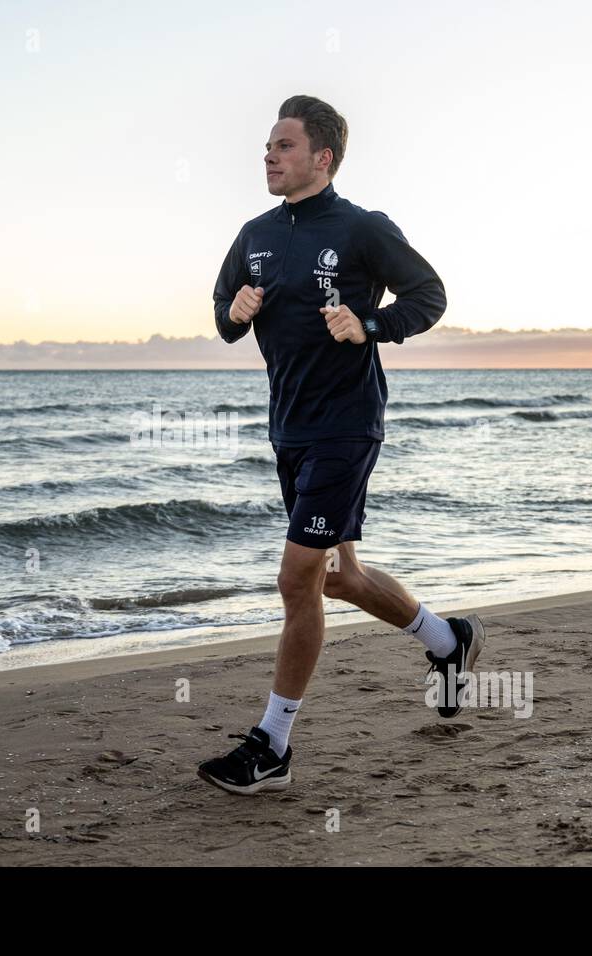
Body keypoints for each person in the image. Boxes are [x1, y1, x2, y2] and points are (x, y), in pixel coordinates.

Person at [197, 94, 485, 796]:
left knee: (296, 579)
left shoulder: (361, 229)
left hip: (347, 424)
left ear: (321, 157)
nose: (269, 155)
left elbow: (428, 295)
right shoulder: (255, 233)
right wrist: (233, 315)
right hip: (288, 427)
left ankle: (273, 744)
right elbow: (222, 310)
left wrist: (370, 325)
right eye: (268, 145)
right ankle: (449, 643)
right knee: (338, 577)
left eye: (284, 145)